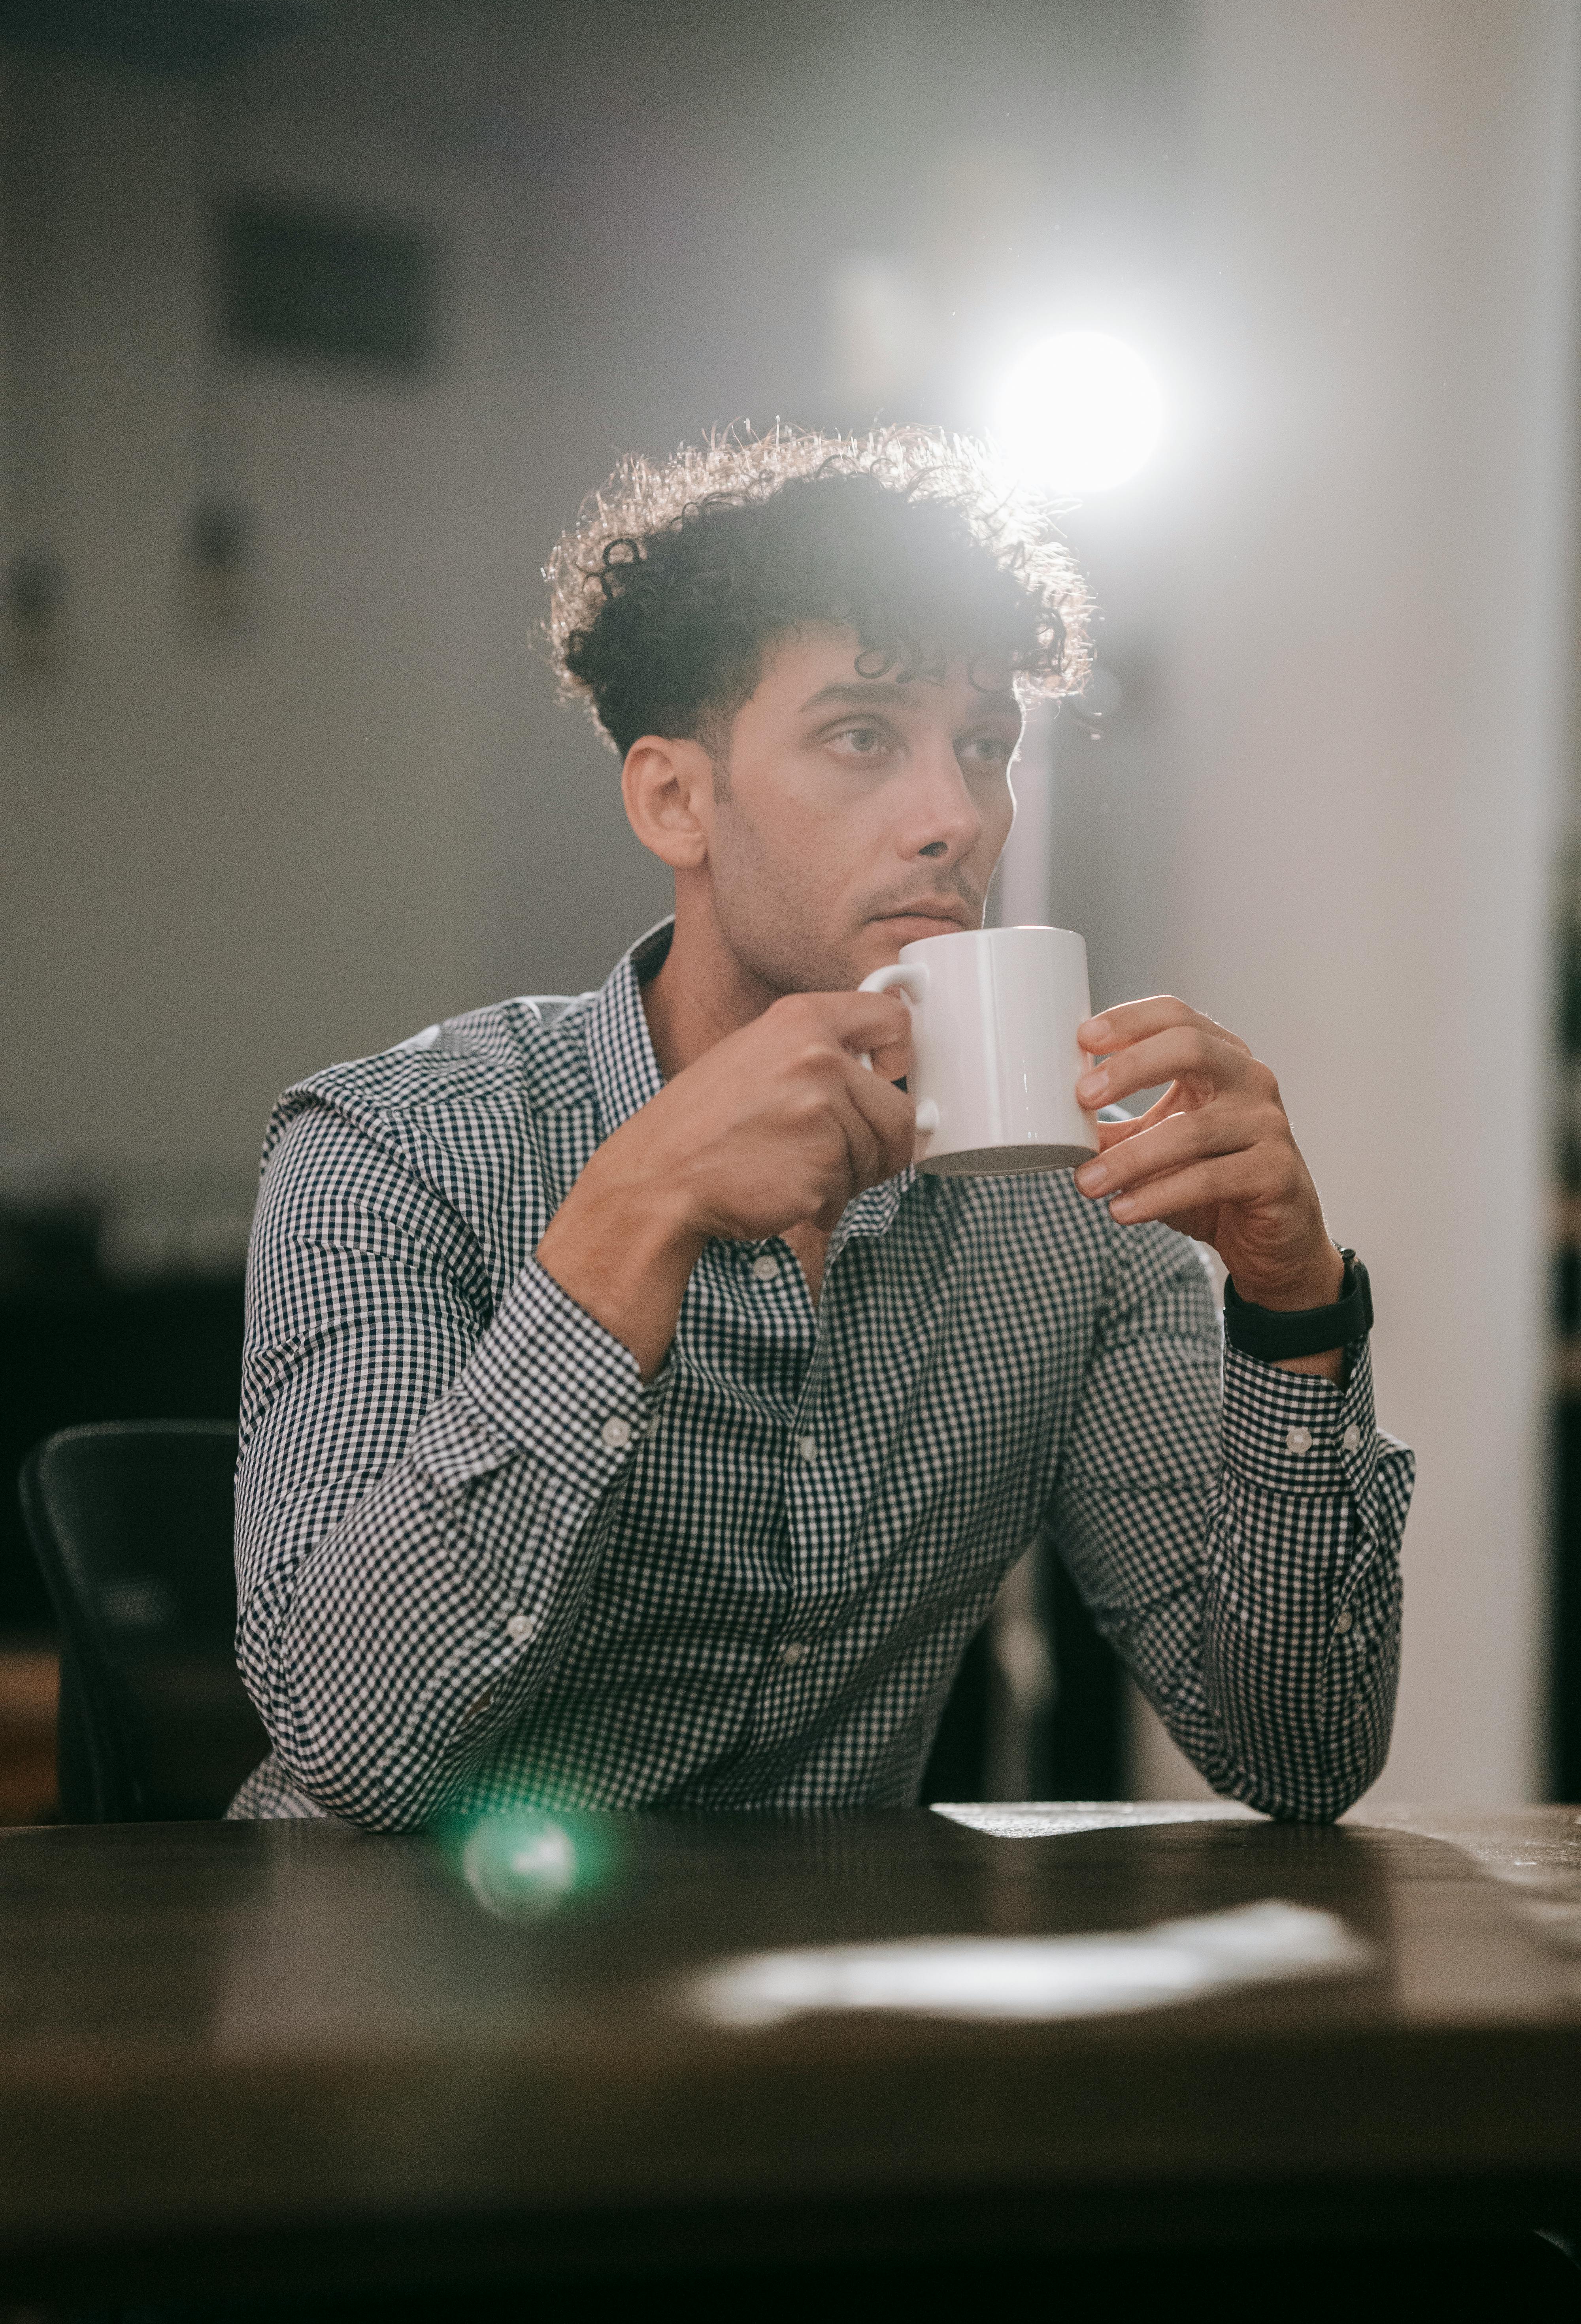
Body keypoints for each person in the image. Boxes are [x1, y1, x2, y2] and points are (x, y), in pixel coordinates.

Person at [229, 426, 1413, 1828]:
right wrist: (633, 1218)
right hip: (386, 2010)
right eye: (863, 735)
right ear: (676, 797)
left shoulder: (1066, 1209)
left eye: (984, 749)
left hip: (818, 2027)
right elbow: (349, 1747)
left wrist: (1290, 1312)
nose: (953, 819)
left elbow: (1304, 1756)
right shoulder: (397, 1148)